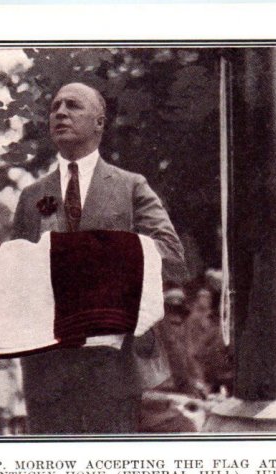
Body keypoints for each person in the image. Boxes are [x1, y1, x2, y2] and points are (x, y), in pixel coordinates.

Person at [10, 82, 186, 434]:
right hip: (48, 366)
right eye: (55, 106)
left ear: (99, 123)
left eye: (73, 105)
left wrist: (100, 256)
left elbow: (173, 254)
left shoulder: (129, 186)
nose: (60, 112)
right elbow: (16, 273)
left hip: (113, 365)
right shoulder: (32, 196)